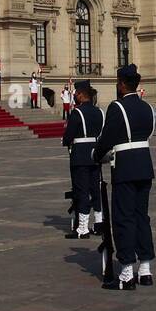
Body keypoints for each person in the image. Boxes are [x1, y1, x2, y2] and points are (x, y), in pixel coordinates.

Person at [93, 64, 155, 290]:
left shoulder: (117, 107)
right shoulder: (146, 108)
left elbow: (107, 137)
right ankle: (145, 269)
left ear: (121, 84)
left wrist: (96, 154)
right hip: (145, 165)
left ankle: (127, 272)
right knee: (142, 217)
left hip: (125, 167)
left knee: (124, 218)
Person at [61, 80, 103, 239]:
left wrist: (65, 141)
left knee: (82, 190)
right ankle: (99, 223)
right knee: (96, 189)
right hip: (96, 153)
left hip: (80, 155)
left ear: (80, 94)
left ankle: (83, 228)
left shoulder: (77, 113)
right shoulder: (99, 112)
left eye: (75, 93)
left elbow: (69, 136)